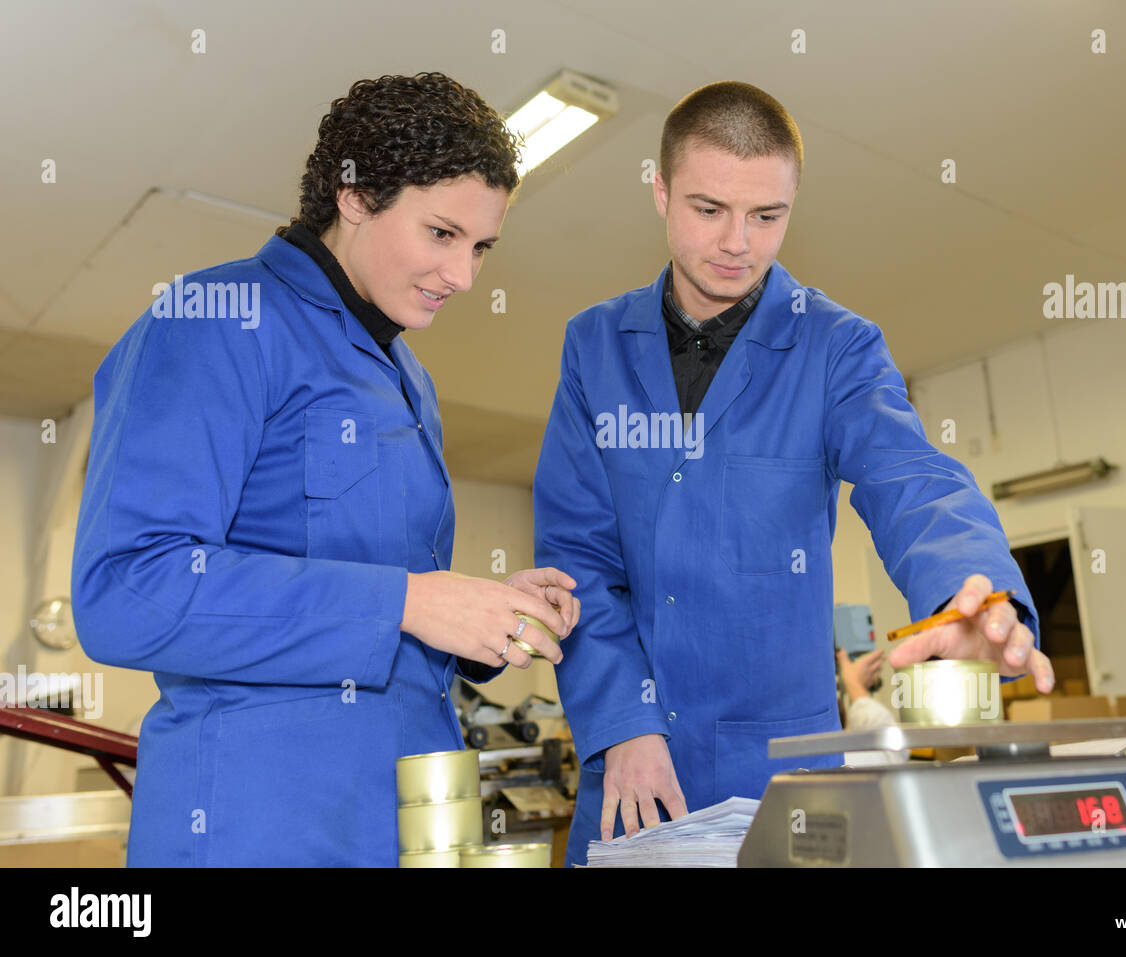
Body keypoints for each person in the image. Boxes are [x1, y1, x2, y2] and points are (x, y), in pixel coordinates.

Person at [533, 81, 1055, 867]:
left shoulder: (837, 347)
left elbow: (911, 475)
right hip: (632, 768)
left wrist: (966, 588)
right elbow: (579, 561)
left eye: (767, 216)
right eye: (709, 209)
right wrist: (623, 725)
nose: (738, 242)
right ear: (660, 190)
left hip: (784, 768)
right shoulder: (593, 346)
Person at [71, 72, 579, 867]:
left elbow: (386, 610)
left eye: (481, 247)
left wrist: (482, 617)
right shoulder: (216, 321)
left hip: (407, 818)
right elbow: (127, 591)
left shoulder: (408, 378)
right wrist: (408, 600)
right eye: (441, 233)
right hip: (262, 827)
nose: (464, 277)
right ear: (355, 197)